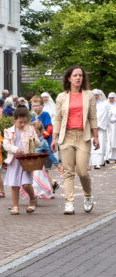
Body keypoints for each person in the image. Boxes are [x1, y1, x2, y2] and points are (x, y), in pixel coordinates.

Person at [52, 65, 99, 214]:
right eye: (75, 75)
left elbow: (93, 117)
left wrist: (96, 137)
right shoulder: (61, 97)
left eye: (81, 75)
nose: (78, 78)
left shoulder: (89, 95)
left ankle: (88, 194)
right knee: (68, 172)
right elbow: (58, 119)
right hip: (66, 137)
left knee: (83, 172)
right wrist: (54, 138)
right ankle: (69, 203)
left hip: (83, 137)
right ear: (69, 78)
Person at [3, 107, 38, 214]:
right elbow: (6, 145)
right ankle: (15, 206)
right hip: (14, 161)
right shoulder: (9, 131)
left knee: (26, 184)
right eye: (20, 122)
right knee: (14, 184)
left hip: (27, 160)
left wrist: (34, 139)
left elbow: (37, 143)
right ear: (14, 120)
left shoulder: (30, 129)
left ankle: (32, 200)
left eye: (25, 122)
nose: (23, 124)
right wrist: (15, 149)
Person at [29, 120, 58, 198]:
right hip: (33, 164)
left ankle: (46, 191)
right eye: (33, 133)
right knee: (36, 179)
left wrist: (56, 163)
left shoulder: (43, 142)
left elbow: (50, 153)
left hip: (42, 162)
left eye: (36, 133)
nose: (34, 135)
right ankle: (40, 192)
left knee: (43, 177)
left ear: (41, 132)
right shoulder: (30, 140)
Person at [91, 89, 109, 169]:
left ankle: (98, 162)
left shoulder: (103, 105)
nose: (96, 96)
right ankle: (93, 162)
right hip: (91, 129)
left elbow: (105, 116)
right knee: (92, 145)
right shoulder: (89, 105)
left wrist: (98, 125)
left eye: (97, 95)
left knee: (100, 144)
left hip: (100, 129)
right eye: (94, 95)